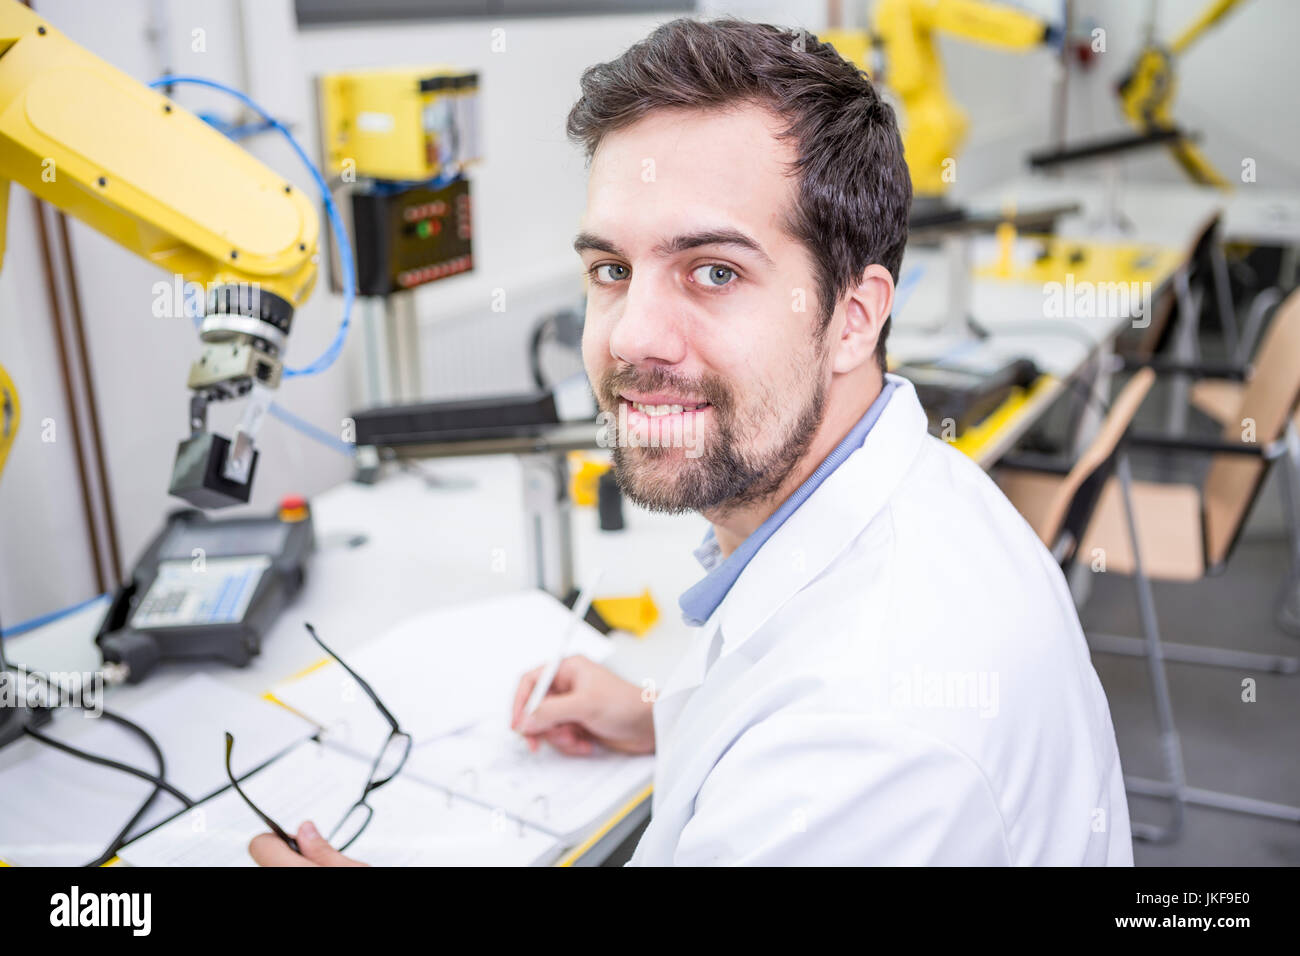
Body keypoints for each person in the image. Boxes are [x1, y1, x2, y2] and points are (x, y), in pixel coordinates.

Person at [251, 17, 1132, 867]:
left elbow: (822, 743)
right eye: (611, 271)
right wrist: (666, 712)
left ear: (853, 316)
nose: (632, 336)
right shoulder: (890, 492)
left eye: (715, 272)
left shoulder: (868, 746)